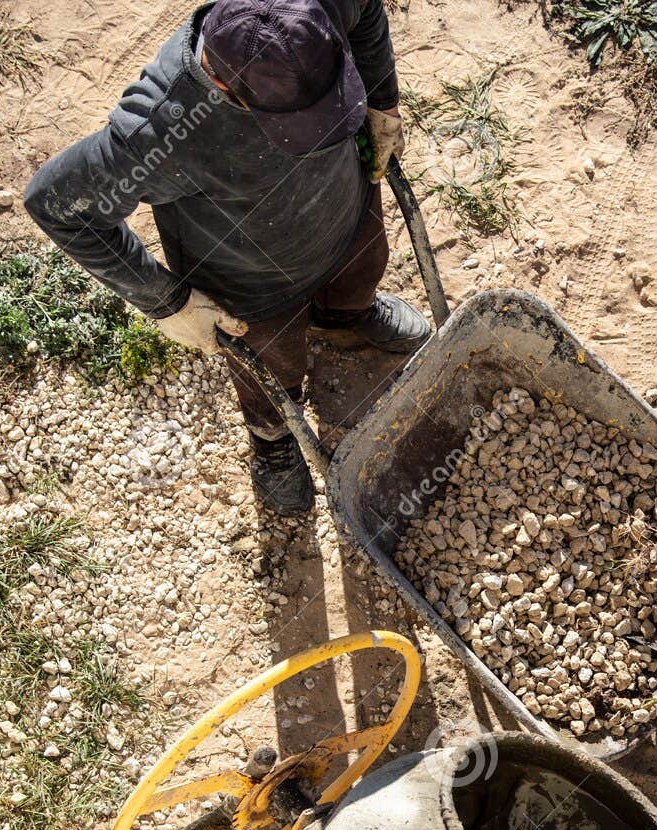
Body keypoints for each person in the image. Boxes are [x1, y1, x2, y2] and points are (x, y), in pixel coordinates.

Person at [23, 0, 428, 517]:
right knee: (270, 373)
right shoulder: (159, 131)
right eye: (305, 121)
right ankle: (273, 441)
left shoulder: (306, 9)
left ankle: (344, 317)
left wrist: (381, 101)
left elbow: (366, 10)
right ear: (223, 87)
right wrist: (166, 302)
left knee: (363, 267)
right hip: (252, 282)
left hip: (343, 203)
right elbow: (55, 204)